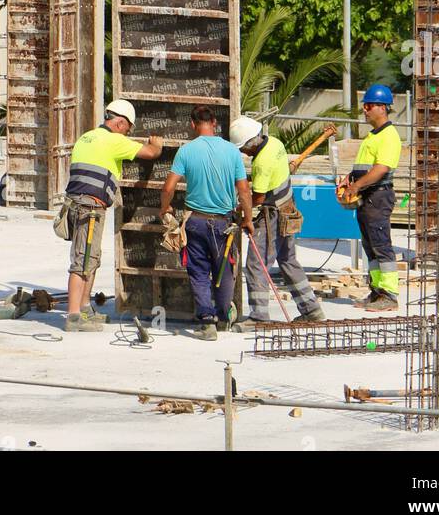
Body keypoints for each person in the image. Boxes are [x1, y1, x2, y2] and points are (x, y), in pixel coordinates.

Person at [60, 100, 162, 332]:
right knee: (82, 260)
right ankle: (73, 317)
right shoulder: (114, 140)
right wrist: (156, 144)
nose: (127, 134)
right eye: (128, 129)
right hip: (90, 209)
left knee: (91, 258)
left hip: (77, 205)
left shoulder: (87, 137)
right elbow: (150, 153)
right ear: (120, 123)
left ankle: (84, 308)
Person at [158, 105, 254, 342]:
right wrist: (248, 219)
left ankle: (207, 321)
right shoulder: (232, 151)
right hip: (224, 224)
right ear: (214, 123)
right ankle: (223, 316)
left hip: (196, 222)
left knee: (199, 271)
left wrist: (165, 208)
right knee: (225, 270)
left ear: (192, 124)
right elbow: (244, 190)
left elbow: (168, 188)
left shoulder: (186, 151)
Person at [229, 116, 326, 324]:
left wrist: (241, 209)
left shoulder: (261, 162)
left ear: (251, 142)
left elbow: (258, 198)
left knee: (256, 264)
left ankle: (259, 317)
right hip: (288, 208)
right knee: (288, 260)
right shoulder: (275, 143)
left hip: (272, 215)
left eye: (243, 148)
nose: (243, 152)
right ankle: (312, 310)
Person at [336, 84, 402, 313]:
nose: (364, 110)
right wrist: (349, 178)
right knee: (370, 246)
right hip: (369, 197)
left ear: (383, 108)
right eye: (365, 106)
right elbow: (364, 166)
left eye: (369, 106)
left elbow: (380, 169)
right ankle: (377, 291)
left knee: (381, 245)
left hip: (378, 196)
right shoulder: (373, 136)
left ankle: (390, 295)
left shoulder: (389, 136)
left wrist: (356, 186)